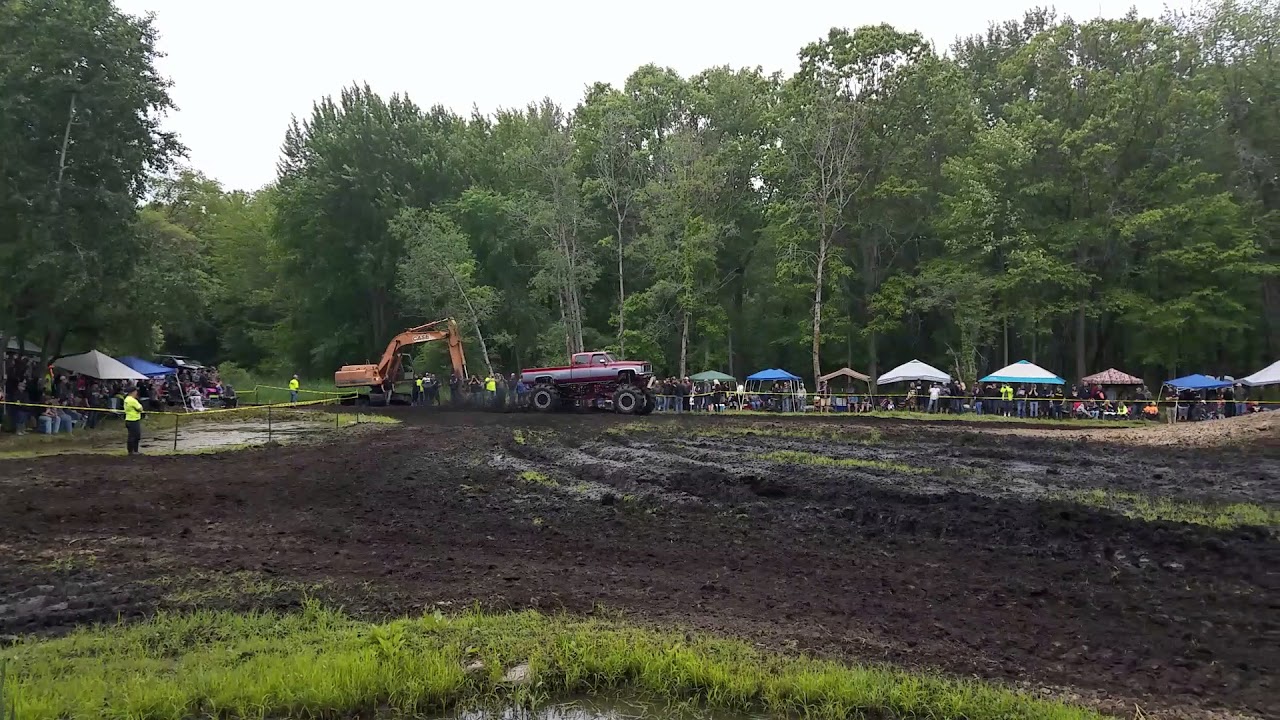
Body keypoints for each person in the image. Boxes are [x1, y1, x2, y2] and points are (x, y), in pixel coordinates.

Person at [123, 387, 144, 455]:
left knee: (132, 436)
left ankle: (132, 451)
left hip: (129, 419)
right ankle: (133, 451)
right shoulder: (132, 400)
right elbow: (140, 408)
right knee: (135, 436)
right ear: (133, 392)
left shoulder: (126, 399)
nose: (136, 393)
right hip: (133, 420)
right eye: (135, 391)